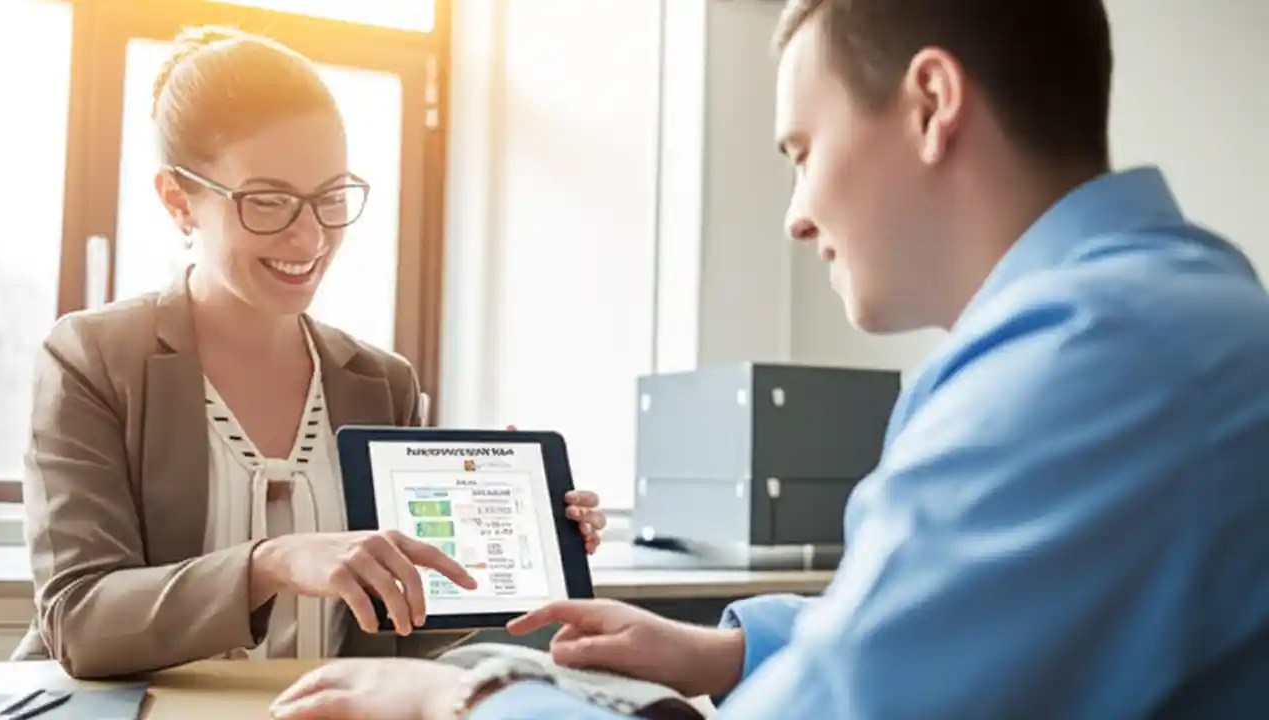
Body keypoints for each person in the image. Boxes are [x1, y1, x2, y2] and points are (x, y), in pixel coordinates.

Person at [267, 0, 1269, 717]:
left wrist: (464, 697)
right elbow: (968, 624)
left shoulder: (1082, 366)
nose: (797, 216)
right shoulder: (1172, 308)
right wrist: (731, 649)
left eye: (801, 151)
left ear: (930, 103)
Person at [15, 26, 605, 680]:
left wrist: (513, 546)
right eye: (268, 201)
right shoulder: (93, 358)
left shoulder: (381, 382)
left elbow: (391, 631)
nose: (310, 237)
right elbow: (79, 620)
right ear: (180, 202)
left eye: (330, 197)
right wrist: (272, 562)